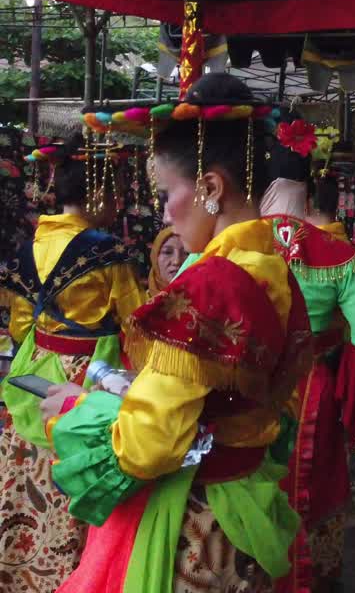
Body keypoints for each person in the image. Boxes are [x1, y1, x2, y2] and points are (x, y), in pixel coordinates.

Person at [40, 73, 312, 592]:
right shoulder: (270, 268)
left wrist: (81, 409)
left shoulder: (212, 285)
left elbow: (146, 446)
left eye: (167, 193)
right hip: (242, 508)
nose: (163, 211)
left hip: (193, 526)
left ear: (210, 187)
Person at [0, 135, 146, 593]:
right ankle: (69, 572)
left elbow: (21, 324)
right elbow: (135, 322)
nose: (119, 200)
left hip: (33, 369)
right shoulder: (105, 250)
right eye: (116, 188)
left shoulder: (29, 246)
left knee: (23, 470)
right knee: (76, 469)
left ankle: (18, 566)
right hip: (86, 377)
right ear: (99, 191)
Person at [263, 125, 355, 593]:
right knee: (307, 492)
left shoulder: (231, 242)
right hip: (307, 387)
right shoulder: (336, 252)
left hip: (243, 386)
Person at [147, 227, 186, 297]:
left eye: (186, 253)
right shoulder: (134, 302)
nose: (176, 261)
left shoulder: (205, 300)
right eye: (167, 252)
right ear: (155, 257)